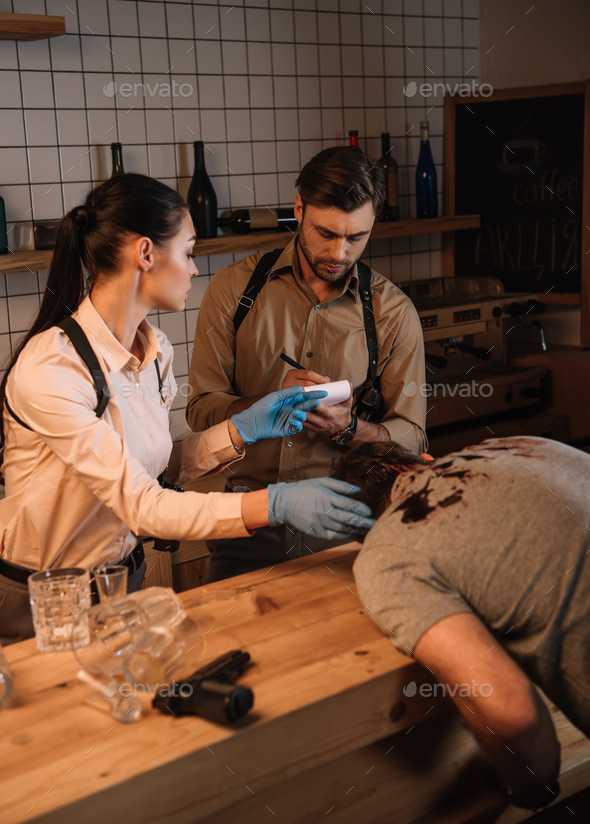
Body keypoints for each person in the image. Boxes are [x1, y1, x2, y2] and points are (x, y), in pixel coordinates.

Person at [0, 174, 375, 646]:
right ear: (146, 254)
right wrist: (275, 503)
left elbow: (146, 472)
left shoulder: (155, 355)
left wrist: (237, 432)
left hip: (120, 584)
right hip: (41, 602)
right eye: (190, 251)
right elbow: (142, 505)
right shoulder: (53, 368)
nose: (196, 270)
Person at [186, 146, 427, 582]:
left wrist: (349, 428)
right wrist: (264, 405)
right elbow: (201, 409)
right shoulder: (233, 291)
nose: (339, 252)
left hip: (348, 521)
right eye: (326, 233)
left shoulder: (394, 312)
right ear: (299, 208)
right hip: (249, 520)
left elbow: (411, 436)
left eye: (357, 238)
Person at [332, 436, 590, 811]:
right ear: (422, 459)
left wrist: (531, 792)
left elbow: (513, 714)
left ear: (364, 529)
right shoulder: (515, 445)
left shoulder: (385, 553)